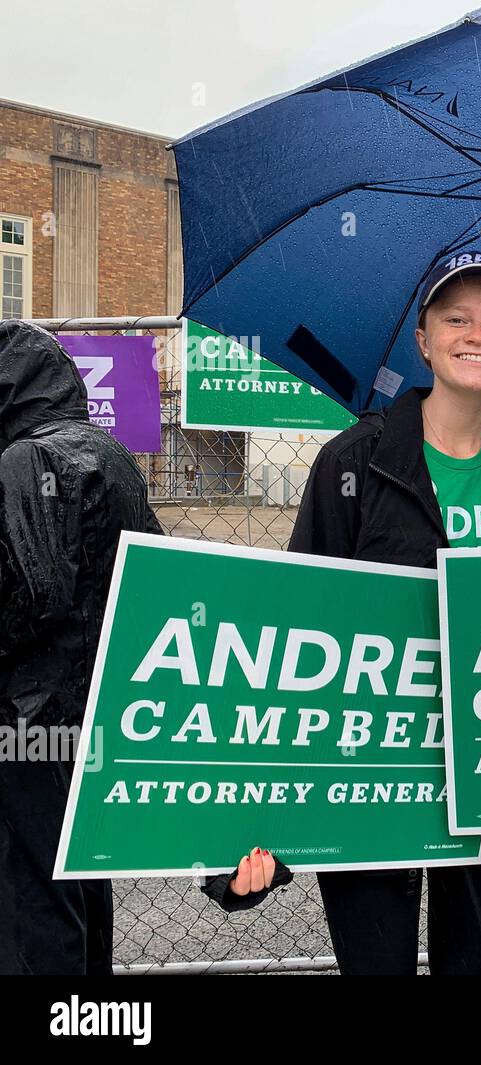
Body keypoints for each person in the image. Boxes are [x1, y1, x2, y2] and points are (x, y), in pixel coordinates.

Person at [209, 251, 481, 974]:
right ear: (423, 340)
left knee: (471, 967)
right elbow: (290, 641)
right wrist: (252, 837)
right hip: (368, 779)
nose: (477, 333)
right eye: (456, 317)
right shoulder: (352, 464)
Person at [0, 321, 163, 975]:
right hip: (96, 714)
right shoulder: (113, 454)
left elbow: (32, 593)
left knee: (29, 895)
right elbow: (154, 568)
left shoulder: (25, 460)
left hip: (25, 721)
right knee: (82, 880)